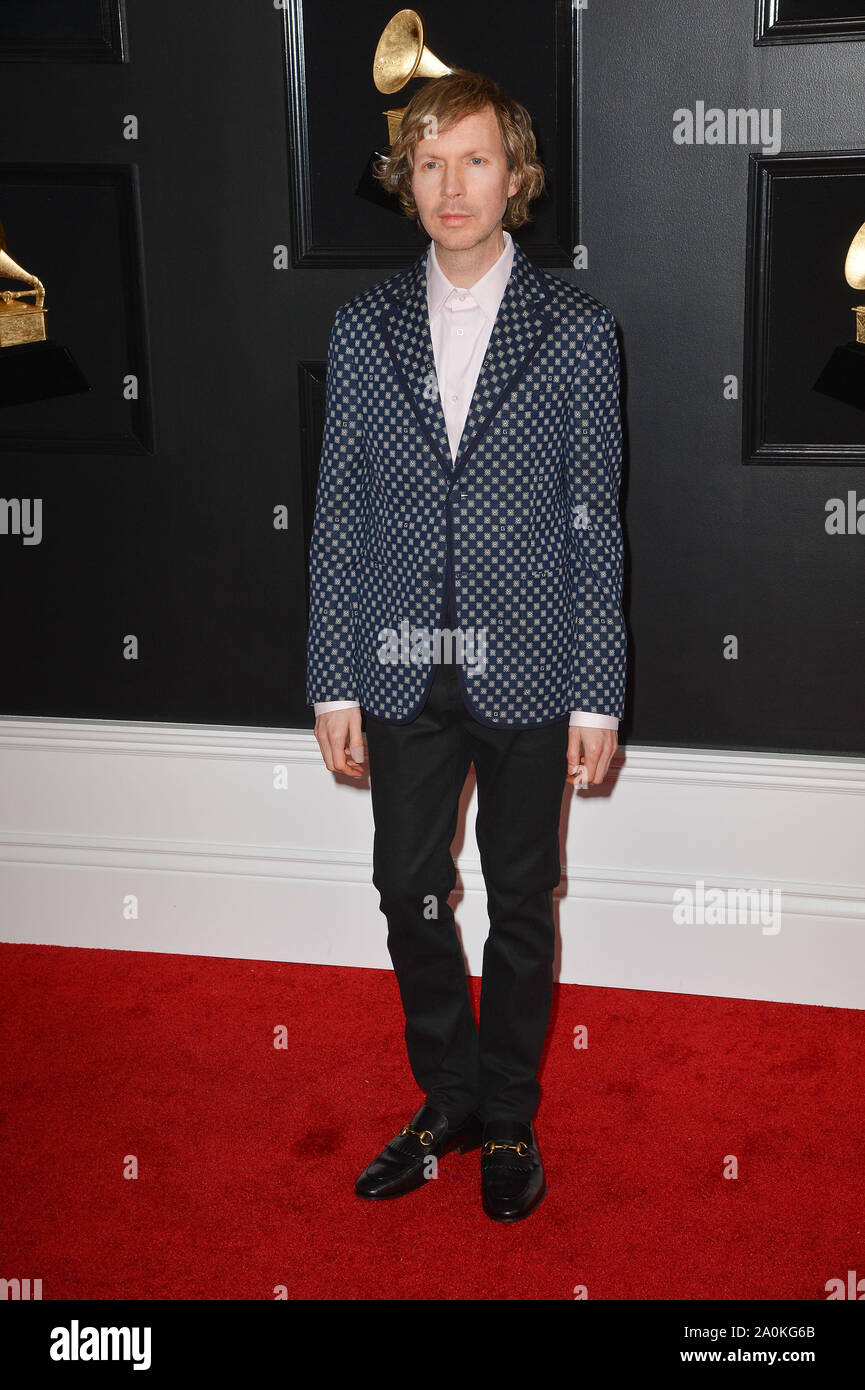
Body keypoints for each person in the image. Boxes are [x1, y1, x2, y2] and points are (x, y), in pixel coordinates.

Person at [306, 70, 625, 1221]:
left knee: (524, 894)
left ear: (515, 176)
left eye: (475, 159)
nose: (452, 184)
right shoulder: (361, 328)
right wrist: (330, 673)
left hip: (537, 664)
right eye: (429, 161)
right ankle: (448, 1097)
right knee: (409, 888)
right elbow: (339, 507)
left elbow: (596, 518)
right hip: (396, 659)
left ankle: (511, 1114)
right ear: (407, 179)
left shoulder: (579, 333)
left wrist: (600, 692)